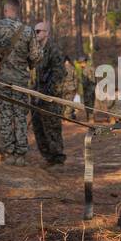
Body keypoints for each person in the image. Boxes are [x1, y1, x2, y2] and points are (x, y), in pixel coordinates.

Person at [0, 0, 40, 165]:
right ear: (18, 11)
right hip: (21, 81)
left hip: (3, 79)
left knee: (6, 115)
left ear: (6, 11)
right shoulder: (28, 31)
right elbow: (36, 56)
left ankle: (9, 153)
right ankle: (21, 155)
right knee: (20, 116)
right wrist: (28, 65)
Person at [30, 21, 77, 166]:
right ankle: (48, 158)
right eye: (35, 31)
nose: (36, 34)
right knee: (38, 127)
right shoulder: (37, 50)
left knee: (52, 128)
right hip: (37, 95)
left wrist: (49, 92)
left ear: (46, 33)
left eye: (39, 31)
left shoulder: (54, 50)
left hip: (50, 97)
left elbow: (60, 73)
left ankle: (58, 160)